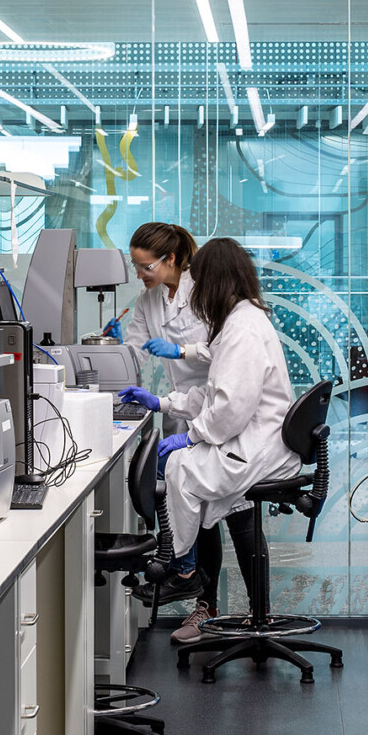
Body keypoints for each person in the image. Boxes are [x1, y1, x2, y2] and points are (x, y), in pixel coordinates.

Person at [151, 237, 300, 644]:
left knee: (180, 470)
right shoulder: (238, 321)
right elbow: (213, 394)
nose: (195, 294)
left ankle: (183, 571)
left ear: (212, 282)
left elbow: (230, 408)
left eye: (197, 284)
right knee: (189, 475)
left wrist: (193, 437)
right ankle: (191, 575)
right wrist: (164, 402)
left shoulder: (242, 329)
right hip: (250, 438)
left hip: (258, 445)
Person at [113, 222, 213, 607]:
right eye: (136, 266)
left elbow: (220, 348)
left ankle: (201, 591)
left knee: (218, 517)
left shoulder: (204, 290)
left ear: (170, 259)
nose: (139, 275)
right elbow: (135, 349)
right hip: (182, 405)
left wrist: (182, 350)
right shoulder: (147, 300)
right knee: (176, 489)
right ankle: (187, 581)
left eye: (146, 267)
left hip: (217, 405)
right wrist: (112, 354)